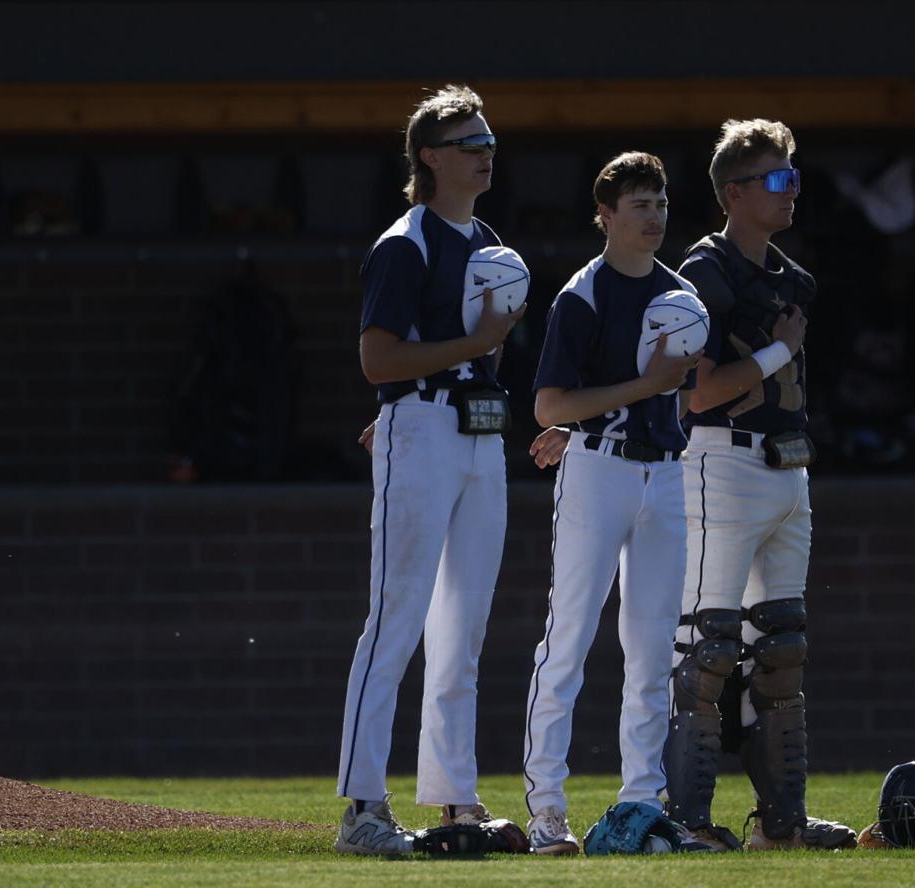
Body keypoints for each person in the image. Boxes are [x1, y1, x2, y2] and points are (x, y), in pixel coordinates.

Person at [335, 84, 525, 855]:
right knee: (396, 616)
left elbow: (487, 345)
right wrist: (473, 347)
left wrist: (481, 349)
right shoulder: (404, 241)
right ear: (429, 157)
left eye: (489, 143)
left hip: (481, 434)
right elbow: (376, 359)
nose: (485, 155)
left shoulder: (486, 239)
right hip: (421, 424)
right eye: (469, 144)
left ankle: (453, 800)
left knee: (463, 630)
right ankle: (361, 810)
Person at [663, 118, 856, 851]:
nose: (790, 192)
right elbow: (698, 393)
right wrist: (779, 349)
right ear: (732, 192)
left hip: (786, 466)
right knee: (706, 648)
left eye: (794, 178)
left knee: (782, 645)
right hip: (722, 460)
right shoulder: (702, 273)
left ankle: (783, 823)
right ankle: (687, 821)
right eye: (777, 180)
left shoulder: (791, 277)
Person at [522, 152, 702, 855]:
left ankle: (641, 804)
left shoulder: (680, 294)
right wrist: (639, 387)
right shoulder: (582, 296)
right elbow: (548, 404)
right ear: (604, 214)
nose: (653, 216)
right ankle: (546, 813)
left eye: (659, 203)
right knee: (567, 640)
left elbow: (681, 392)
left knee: (653, 649)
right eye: (638, 205)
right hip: (598, 472)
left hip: (665, 472)